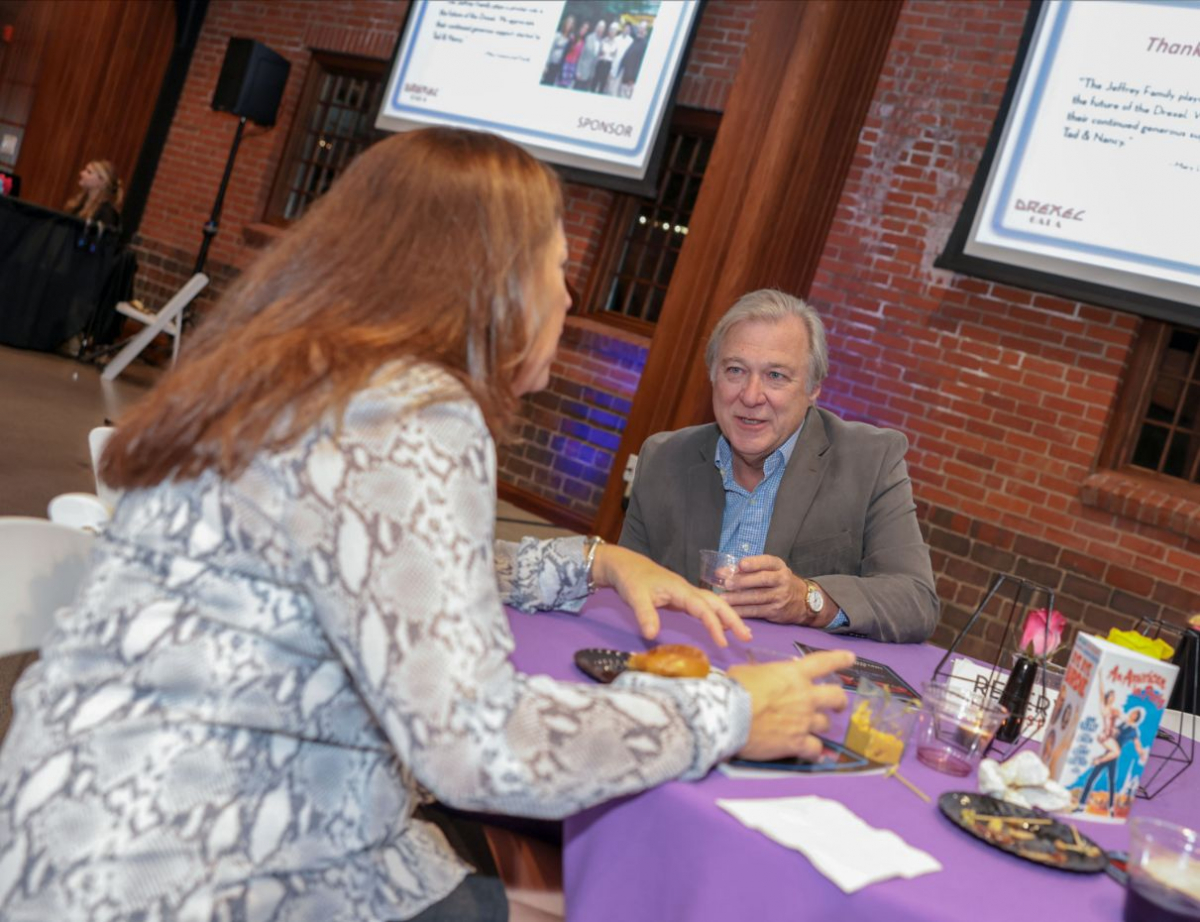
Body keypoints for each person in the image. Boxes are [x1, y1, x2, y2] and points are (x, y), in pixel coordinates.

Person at [0, 129, 854, 922]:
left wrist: (593, 562)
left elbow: (385, 578)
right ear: (489, 282)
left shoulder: (303, 380)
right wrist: (727, 711)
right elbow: (478, 743)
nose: (566, 295)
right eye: (556, 269)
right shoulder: (411, 415)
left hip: (74, 831)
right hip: (201, 873)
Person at [619, 289, 939, 644]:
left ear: (814, 386)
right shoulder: (663, 458)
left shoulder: (871, 460)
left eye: (776, 376)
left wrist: (808, 599)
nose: (751, 396)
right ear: (712, 375)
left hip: (792, 683)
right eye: (736, 370)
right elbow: (626, 583)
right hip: (678, 665)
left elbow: (915, 600)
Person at [64, 159, 123, 229]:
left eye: (89, 172)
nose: (82, 173)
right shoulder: (78, 204)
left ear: (102, 182)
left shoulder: (107, 214)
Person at [618, 21, 650, 97]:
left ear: (645, 32)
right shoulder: (635, 41)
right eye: (639, 28)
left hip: (631, 81)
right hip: (624, 77)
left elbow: (640, 63)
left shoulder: (645, 45)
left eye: (642, 29)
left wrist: (633, 79)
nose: (640, 30)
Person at [541, 14, 574, 86]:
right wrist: (545, 64)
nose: (569, 25)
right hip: (551, 63)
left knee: (551, 83)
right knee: (545, 81)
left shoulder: (570, 38)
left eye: (571, 24)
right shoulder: (557, 35)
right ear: (565, 23)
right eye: (568, 22)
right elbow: (550, 50)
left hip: (558, 65)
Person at [573, 19, 603, 91]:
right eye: (600, 27)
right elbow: (581, 55)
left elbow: (596, 58)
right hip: (582, 73)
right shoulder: (589, 38)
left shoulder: (601, 42)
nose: (600, 30)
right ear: (596, 27)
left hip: (590, 75)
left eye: (602, 28)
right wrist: (578, 71)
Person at [558, 21, 589, 88]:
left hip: (573, 65)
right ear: (580, 27)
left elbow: (580, 57)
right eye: (583, 27)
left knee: (567, 85)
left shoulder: (583, 42)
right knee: (561, 84)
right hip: (566, 63)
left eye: (586, 29)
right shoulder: (573, 37)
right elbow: (565, 52)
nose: (584, 30)